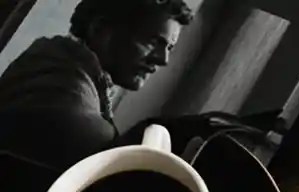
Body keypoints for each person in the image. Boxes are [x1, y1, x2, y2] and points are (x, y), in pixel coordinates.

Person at [0, 0, 193, 168]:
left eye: (169, 47)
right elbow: (97, 157)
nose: (163, 59)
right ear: (101, 29)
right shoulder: (61, 85)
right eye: (153, 41)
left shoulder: (61, 63)